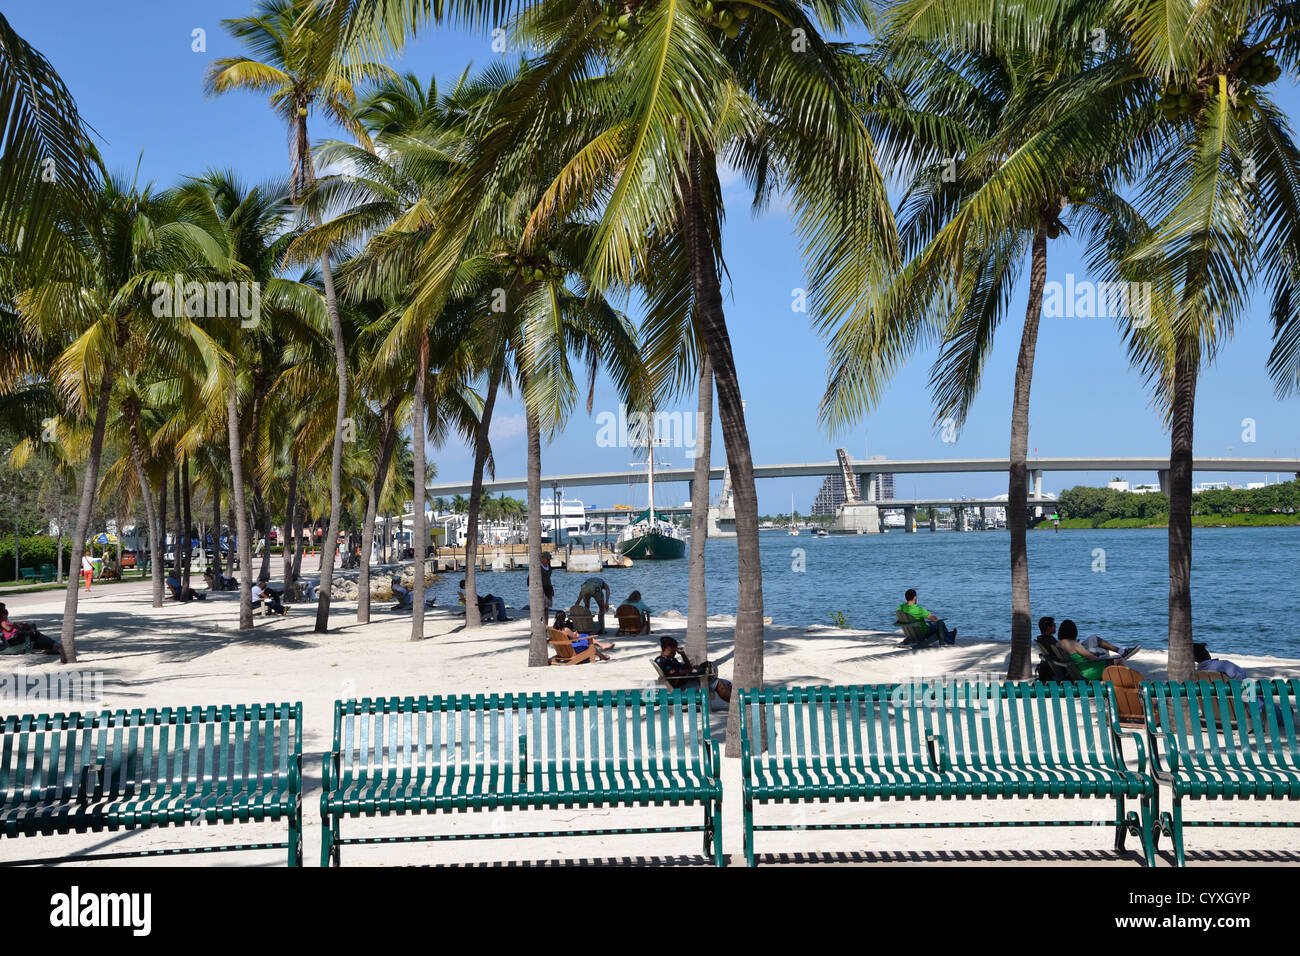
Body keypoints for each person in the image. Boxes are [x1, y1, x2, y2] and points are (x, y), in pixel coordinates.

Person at [654, 636, 732, 704]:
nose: (676, 651)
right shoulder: (661, 661)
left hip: (689, 681)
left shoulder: (671, 659)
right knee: (719, 684)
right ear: (668, 648)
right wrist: (691, 670)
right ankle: (735, 706)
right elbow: (675, 674)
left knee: (726, 683)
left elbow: (688, 667)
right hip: (682, 688)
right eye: (675, 648)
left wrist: (683, 654)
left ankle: (736, 704)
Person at [551, 610, 615, 657]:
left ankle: (602, 649)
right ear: (564, 618)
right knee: (590, 644)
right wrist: (575, 634)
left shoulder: (553, 629)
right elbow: (575, 639)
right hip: (570, 651)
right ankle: (602, 652)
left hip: (562, 650)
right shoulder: (565, 630)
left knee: (583, 635)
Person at [525, 551, 555, 619]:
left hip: (548, 588)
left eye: (549, 559)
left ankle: (546, 624)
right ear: (543, 558)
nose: (548, 561)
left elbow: (549, 579)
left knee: (547, 607)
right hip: (540, 589)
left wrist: (552, 589)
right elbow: (530, 577)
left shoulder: (549, 567)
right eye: (547, 559)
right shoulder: (538, 567)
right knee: (541, 607)